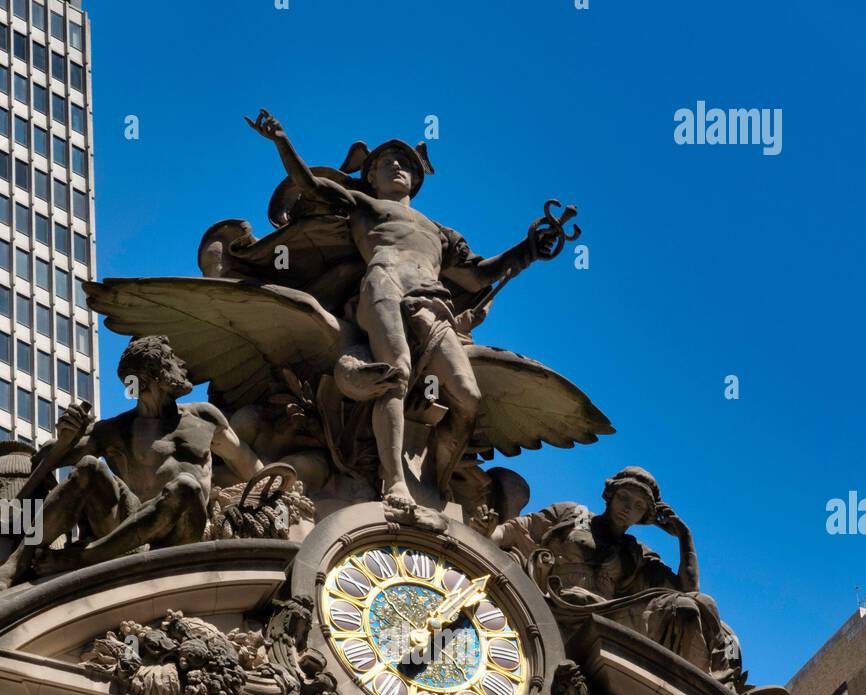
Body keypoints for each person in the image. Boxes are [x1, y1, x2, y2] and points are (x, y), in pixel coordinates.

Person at [246, 110, 558, 505]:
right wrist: (282, 142)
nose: (396, 167)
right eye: (385, 163)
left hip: (433, 304)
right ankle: (394, 481)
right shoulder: (364, 206)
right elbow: (310, 185)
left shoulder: (441, 232)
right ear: (370, 177)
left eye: (406, 164)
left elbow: (479, 276)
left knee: (467, 396)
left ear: (416, 178)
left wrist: (528, 249)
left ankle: (438, 481)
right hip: (383, 287)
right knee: (395, 374)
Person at [0, 336, 264, 589]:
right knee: (89, 466)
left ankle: (87, 556)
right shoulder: (115, 430)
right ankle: (16, 564)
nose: (182, 365)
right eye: (172, 358)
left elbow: (251, 467)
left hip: (181, 538)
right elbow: (42, 462)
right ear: (153, 374)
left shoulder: (205, 418)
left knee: (185, 486)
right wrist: (65, 441)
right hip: (125, 536)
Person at [493, 466, 738, 680]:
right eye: (624, 497)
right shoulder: (572, 514)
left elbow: (688, 590)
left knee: (695, 605)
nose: (628, 508)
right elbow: (516, 529)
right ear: (610, 494)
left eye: (638, 506)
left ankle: (696, 694)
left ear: (644, 516)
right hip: (559, 602)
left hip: (606, 615)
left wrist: (685, 537)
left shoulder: (634, 552)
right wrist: (480, 534)